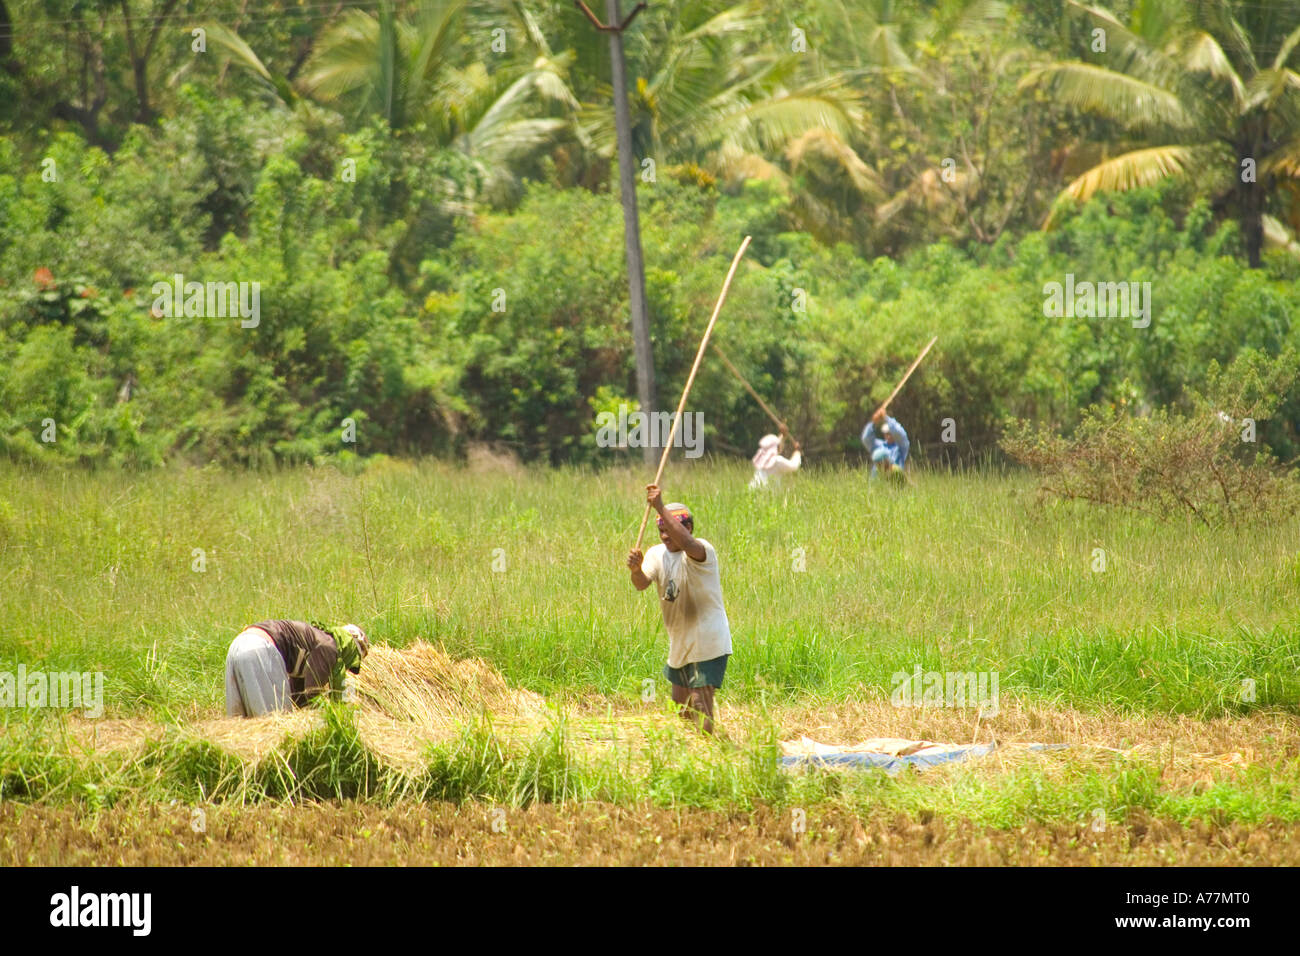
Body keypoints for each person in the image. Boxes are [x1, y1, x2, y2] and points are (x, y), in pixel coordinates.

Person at [626, 485, 732, 735]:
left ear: (689, 528)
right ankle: (700, 747)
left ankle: (707, 753)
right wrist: (635, 570)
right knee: (681, 707)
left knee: (699, 703)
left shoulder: (703, 551)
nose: (664, 536)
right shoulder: (655, 554)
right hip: (681, 642)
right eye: (661, 530)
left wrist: (660, 506)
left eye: (669, 530)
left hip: (708, 639)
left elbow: (685, 542)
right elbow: (641, 584)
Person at [224, 619, 369, 717]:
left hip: (237, 646)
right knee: (275, 725)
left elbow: (299, 699)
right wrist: (332, 717)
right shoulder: (328, 647)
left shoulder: (312, 641)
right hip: (260, 650)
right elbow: (312, 693)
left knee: (241, 724)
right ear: (350, 650)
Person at [861, 409, 910, 478]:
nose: (889, 436)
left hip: (894, 481)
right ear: (884, 434)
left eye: (890, 433)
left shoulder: (901, 447)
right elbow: (866, 438)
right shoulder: (878, 445)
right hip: (877, 482)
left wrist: (886, 418)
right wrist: (874, 422)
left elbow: (900, 434)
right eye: (886, 433)